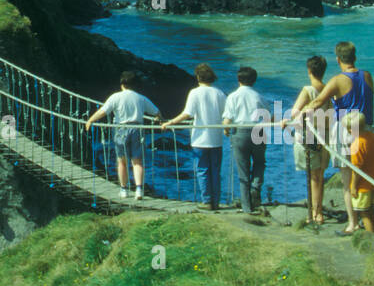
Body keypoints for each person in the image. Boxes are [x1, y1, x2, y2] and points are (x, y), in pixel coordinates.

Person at [304, 41, 374, 232]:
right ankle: (366, 215)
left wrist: (302, 112)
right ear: (355, 57)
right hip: (365, 127)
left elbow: (318, 101)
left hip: (346, 129)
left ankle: (353, 222)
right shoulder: (367, 76)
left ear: (338, 59)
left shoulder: (338, 80)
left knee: (347, 178)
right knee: (363, 175)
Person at [85, 71, 161, 200]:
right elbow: (157, 112)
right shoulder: (141, 98)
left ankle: (124, 190)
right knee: (137, 162)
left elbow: (103, 111)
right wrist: (158, 119)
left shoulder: (115, 97)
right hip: (138, 129)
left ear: (122, 84)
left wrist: (90, 120)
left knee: (122, 162)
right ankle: (139, 190)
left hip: (121, 129)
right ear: (135, 85)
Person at [162, 64, 229, 211]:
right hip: (216, 139)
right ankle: (216, 201)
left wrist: (171, 122)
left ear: (198, 77)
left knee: (202, 170)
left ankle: (207, 201)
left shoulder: (195, 93)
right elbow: (226, 115)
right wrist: (227, 130)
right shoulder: (220, 93)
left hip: (199, 139)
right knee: (215, 172)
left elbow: (188, 113)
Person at [283, 55, 331, 225]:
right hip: (324, 137)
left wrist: (285, 121)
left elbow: (295, 112)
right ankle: (319, 211)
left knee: (312, 176)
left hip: (308, 137)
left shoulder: (308, 90)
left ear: (309, 70)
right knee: (320, 175)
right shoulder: (327, 90)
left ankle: (314, 212)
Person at [223, 65, 268, 213]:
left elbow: (227, 119)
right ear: (254, 81)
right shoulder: (259, 97)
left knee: (243, 170)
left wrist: (226, 130)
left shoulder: (233, 96)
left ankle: (247, 207)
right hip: (258, 130)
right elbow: (268, 117)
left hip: (240, 132)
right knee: (260, 162)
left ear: (238, 79)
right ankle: (256, 187)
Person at [346, 112, 374, 233]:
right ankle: (372, 231)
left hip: (363, 186)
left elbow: (357, 170)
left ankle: (371, 236)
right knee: (370, 210)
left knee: (364, 213)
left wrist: (353, 187)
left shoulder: (357, 145)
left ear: (351, 129)